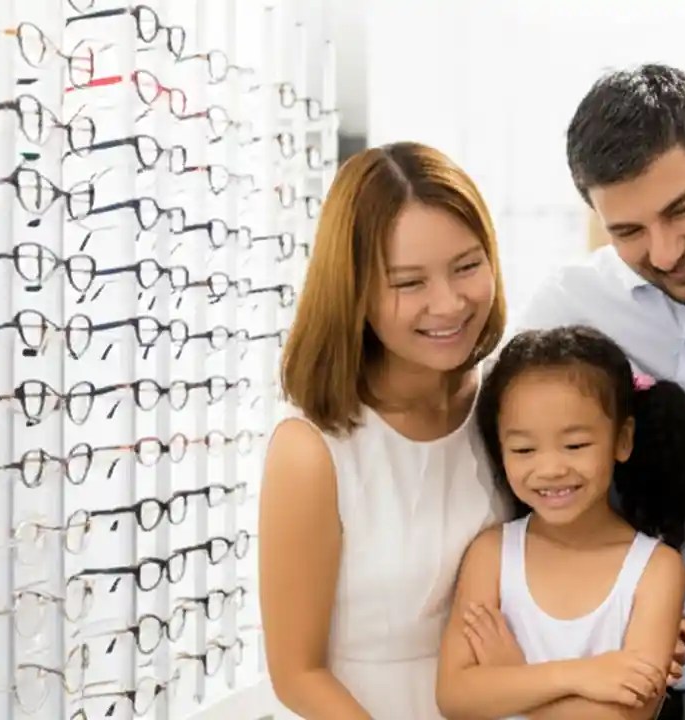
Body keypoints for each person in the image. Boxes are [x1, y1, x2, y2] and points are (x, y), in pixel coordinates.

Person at [518, 63, 685, 719]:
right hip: (607, 689)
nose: (666, 253)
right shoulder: (567, 308)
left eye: (683, 209)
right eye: (629, 232)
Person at [257, 141, 510, 720]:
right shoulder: (311, 450)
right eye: (408, 282)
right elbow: (296, 673)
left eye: (467, 266)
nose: (448, 304)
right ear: (354, 290)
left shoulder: (507, 400)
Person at [436, 325, 685, 719]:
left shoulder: (656, 570)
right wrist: (581, 676)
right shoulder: (492, 554)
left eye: (575, 445)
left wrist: (513, 675)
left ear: (622, 440)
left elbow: (624, 717)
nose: (550, 469)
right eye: (524, 449)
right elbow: (455, 695)